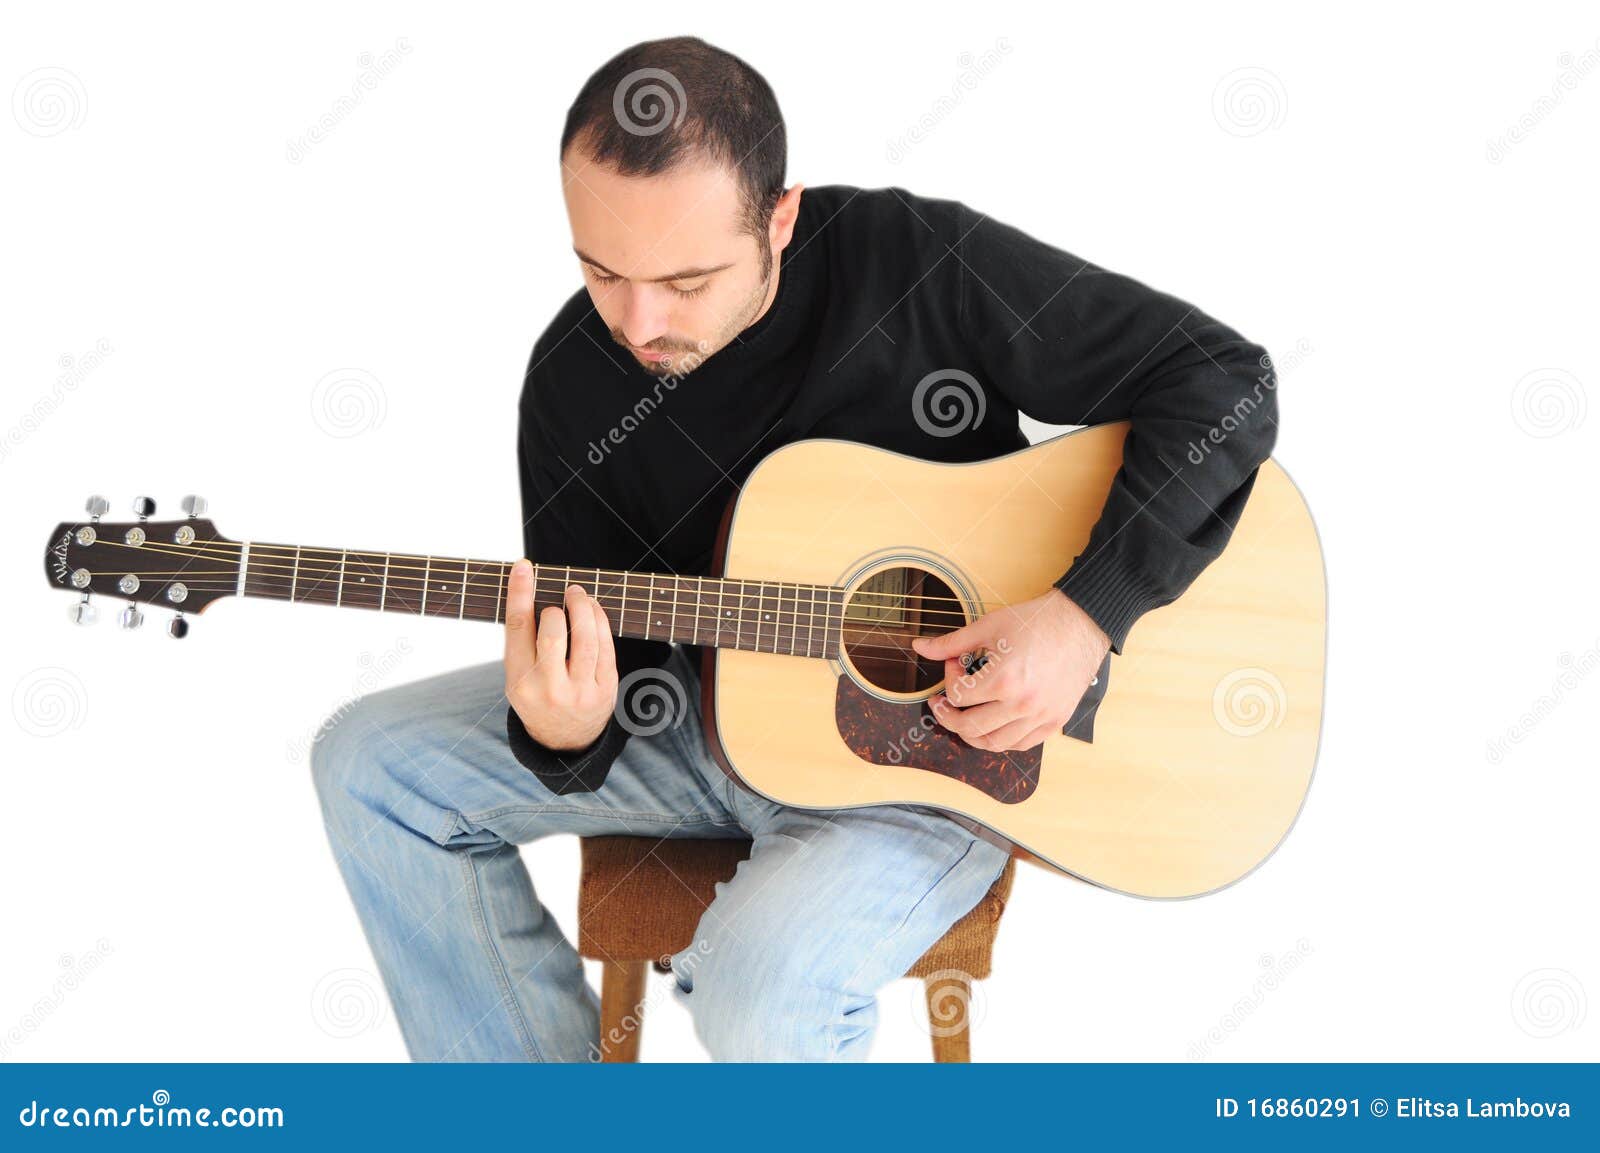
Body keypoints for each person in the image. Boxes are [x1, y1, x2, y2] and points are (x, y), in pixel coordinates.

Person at [311, 35, 1278, 1061]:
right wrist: (568, 730)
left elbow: (1221, 381)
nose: (639, 322)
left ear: (780, 217)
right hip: (695, 724)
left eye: (687, 279)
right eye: (601, 270)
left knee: (760, 989)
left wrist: (1089, 611)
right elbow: (615, 661)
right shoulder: (572, 379)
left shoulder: (911, 262)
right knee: (367, 763)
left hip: (931, 758)